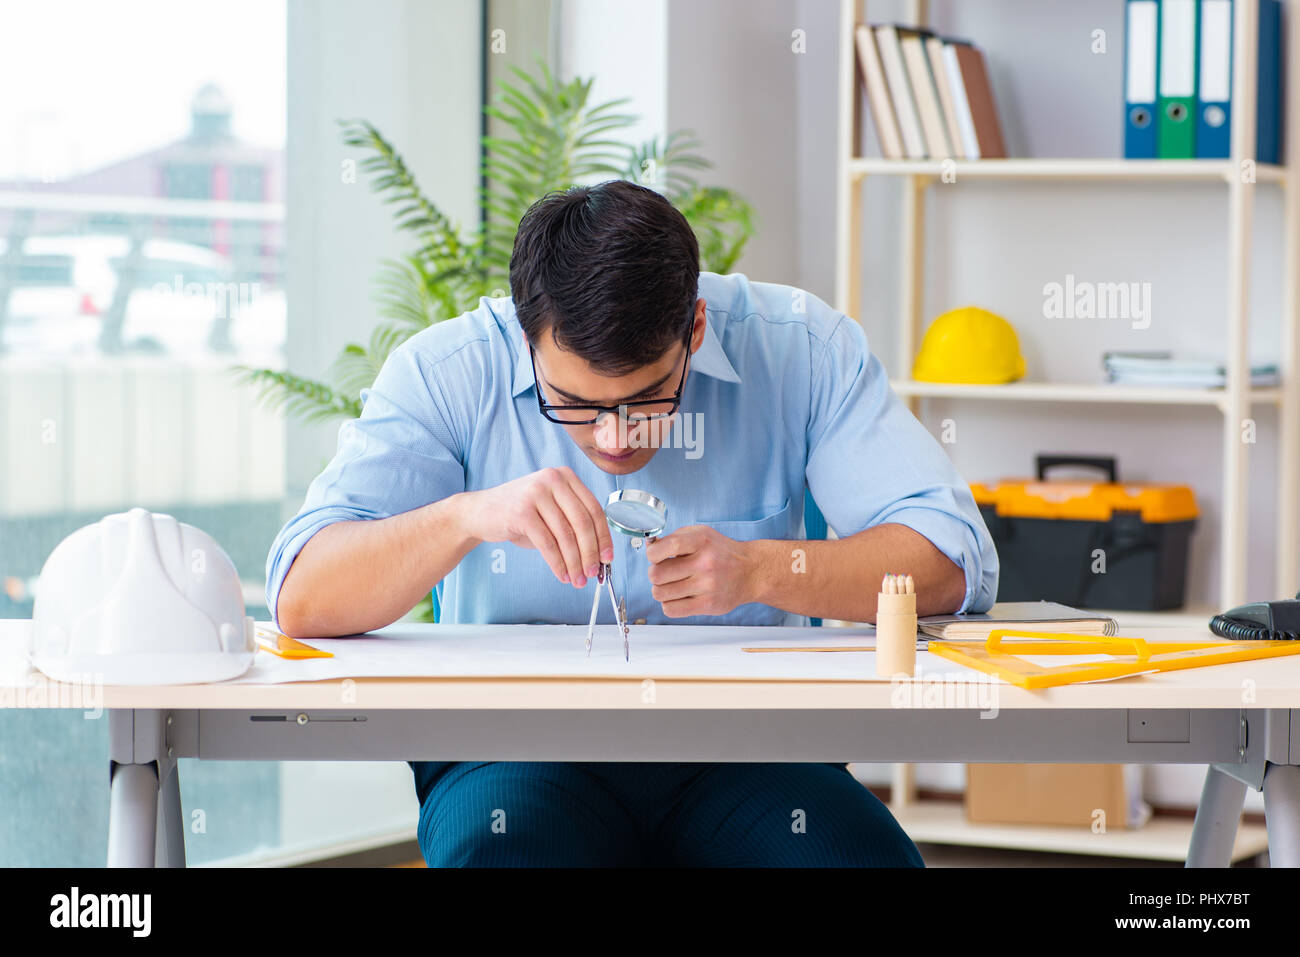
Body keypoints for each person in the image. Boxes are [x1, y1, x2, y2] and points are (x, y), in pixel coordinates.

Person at [265, 178, 999, 866]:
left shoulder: (800, 347)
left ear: (697, 327)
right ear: (528, 340)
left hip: (750, 746)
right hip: (515, 747)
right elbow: (303, 594)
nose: (615, 440)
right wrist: (465, 517)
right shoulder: (448, 371)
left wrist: (760, 569)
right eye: (577, 404)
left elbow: (951, 562)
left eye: (646, 397)